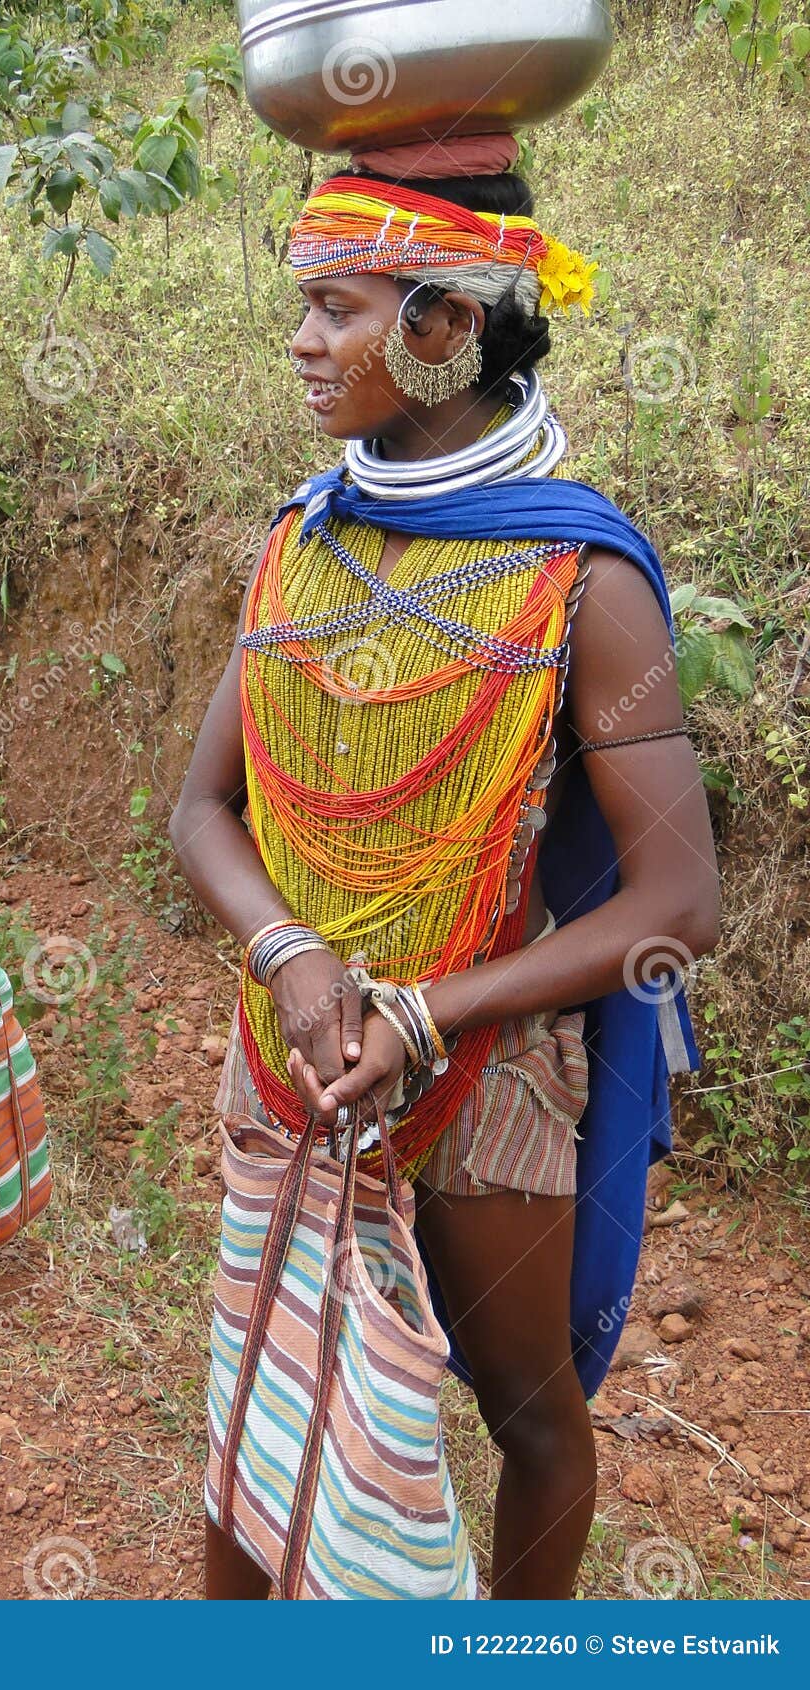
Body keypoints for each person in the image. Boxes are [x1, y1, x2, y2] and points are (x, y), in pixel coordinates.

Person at [170, 158, 720, 1599]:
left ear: (441, 328)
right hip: (290, 1050)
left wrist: (429, 1011)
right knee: (261, 1394)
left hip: (485, 1071)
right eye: (301, 306)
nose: (298, 340)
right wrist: (291, 952)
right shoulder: (302, 543)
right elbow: (199, 808)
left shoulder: (580, 579)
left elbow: (677, 905)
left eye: (331, 308)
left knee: (530, 1415)